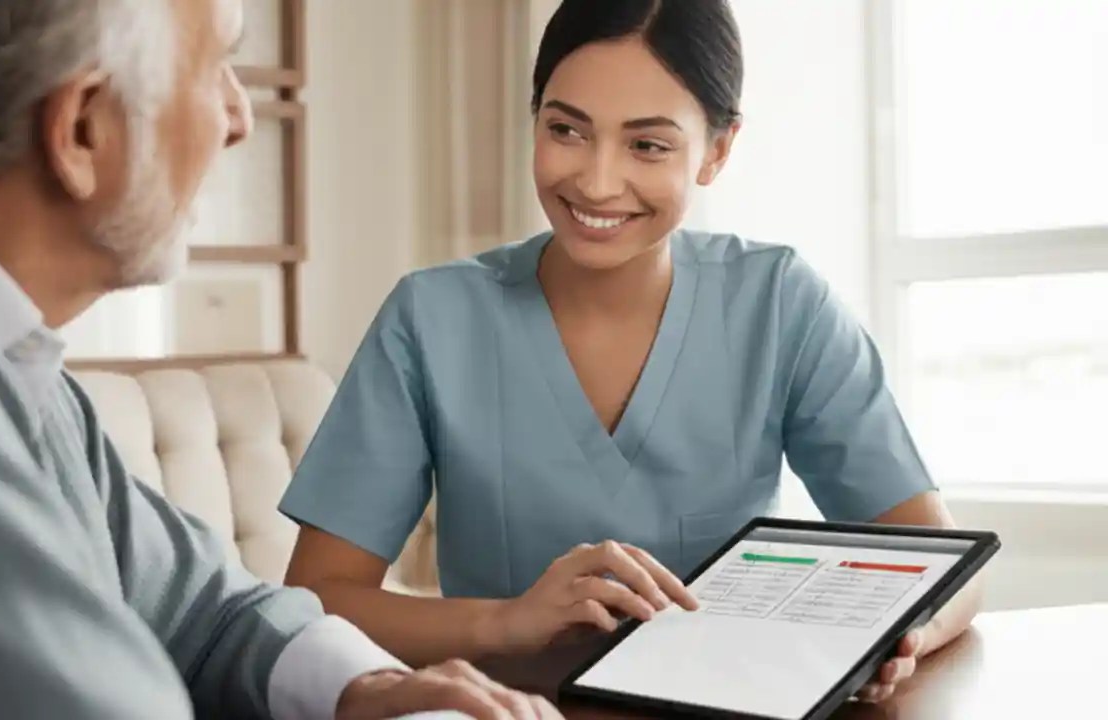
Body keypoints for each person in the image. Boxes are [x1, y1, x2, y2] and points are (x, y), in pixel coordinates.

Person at [0, 1, 560, 718]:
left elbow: (205, 611)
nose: (239, 120)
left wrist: (360, 688)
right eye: (216, 70)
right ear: (82, 128)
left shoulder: (8, 359)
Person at [278, 0, 981, 705]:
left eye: (647, 145)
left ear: (717, 150)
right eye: (566, 130)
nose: (596, 181)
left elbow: (951, 569)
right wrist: (507, 622)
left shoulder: (778, 304)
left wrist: (903, 635)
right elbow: (317, 599)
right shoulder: (431, 318)